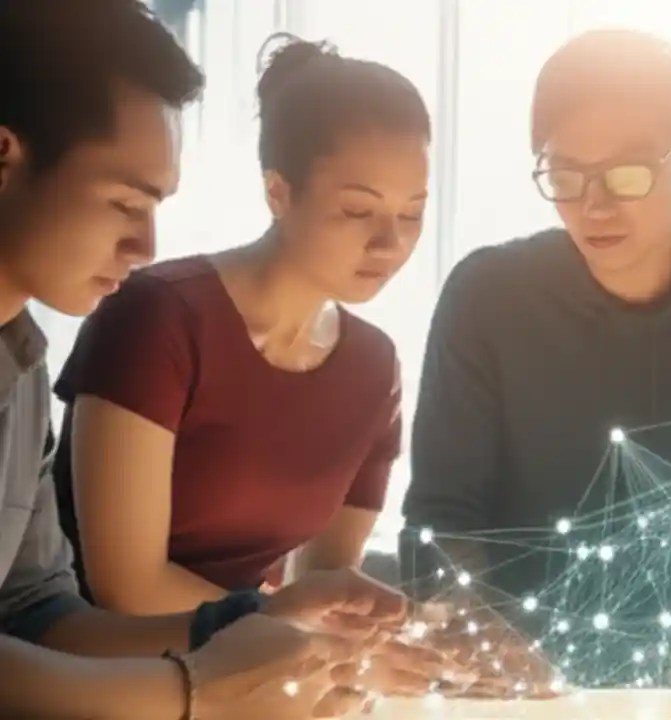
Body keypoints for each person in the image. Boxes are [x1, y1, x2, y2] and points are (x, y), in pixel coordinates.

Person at [0, 2, 439, 717]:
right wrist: (194, 687)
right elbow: (116, 591)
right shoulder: (159, 314)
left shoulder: (20, 366)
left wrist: (267, 626)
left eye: (412, 213)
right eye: (124, 203)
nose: (145, 247)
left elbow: (35, 612)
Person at [401, 29, 671, 691]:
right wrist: (484, 642)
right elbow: (440, 519)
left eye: (627, 173)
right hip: (510, 685)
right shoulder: (488, 295)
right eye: (565, 175)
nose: (594, 205)